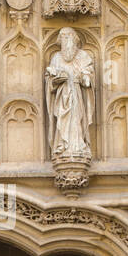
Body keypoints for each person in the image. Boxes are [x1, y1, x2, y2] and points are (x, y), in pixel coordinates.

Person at [45, 27, 94, 159]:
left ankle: (77, 146)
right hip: (62, 94)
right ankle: (62, 145)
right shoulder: (56, 57)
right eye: (63, 37)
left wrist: (85, 78)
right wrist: (56, 79)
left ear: (74, 38)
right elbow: (50, 80)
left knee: (76, 118)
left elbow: (88, 74)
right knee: (62, 120)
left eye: (68, 37)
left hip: (77, 93)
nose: (65, 40)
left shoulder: (83, 56)